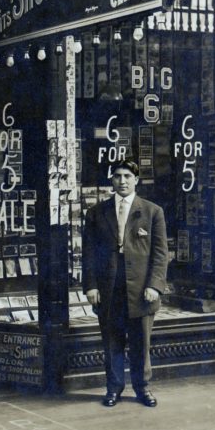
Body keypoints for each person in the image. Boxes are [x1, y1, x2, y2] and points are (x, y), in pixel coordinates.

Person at [83, 158, 168, 408]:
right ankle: (114, 388)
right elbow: (88, 253)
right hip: (109, 287)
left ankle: (142, 388)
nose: (122, 181)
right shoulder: (96, 212)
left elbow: (161, 254)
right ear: (112, 180)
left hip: (142, 289)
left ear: (136, 181)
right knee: (112, 340)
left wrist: (154, 286)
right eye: (118, 176)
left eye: (128, 177)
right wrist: (91, 286)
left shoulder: (153, 212)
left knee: (141, 341)